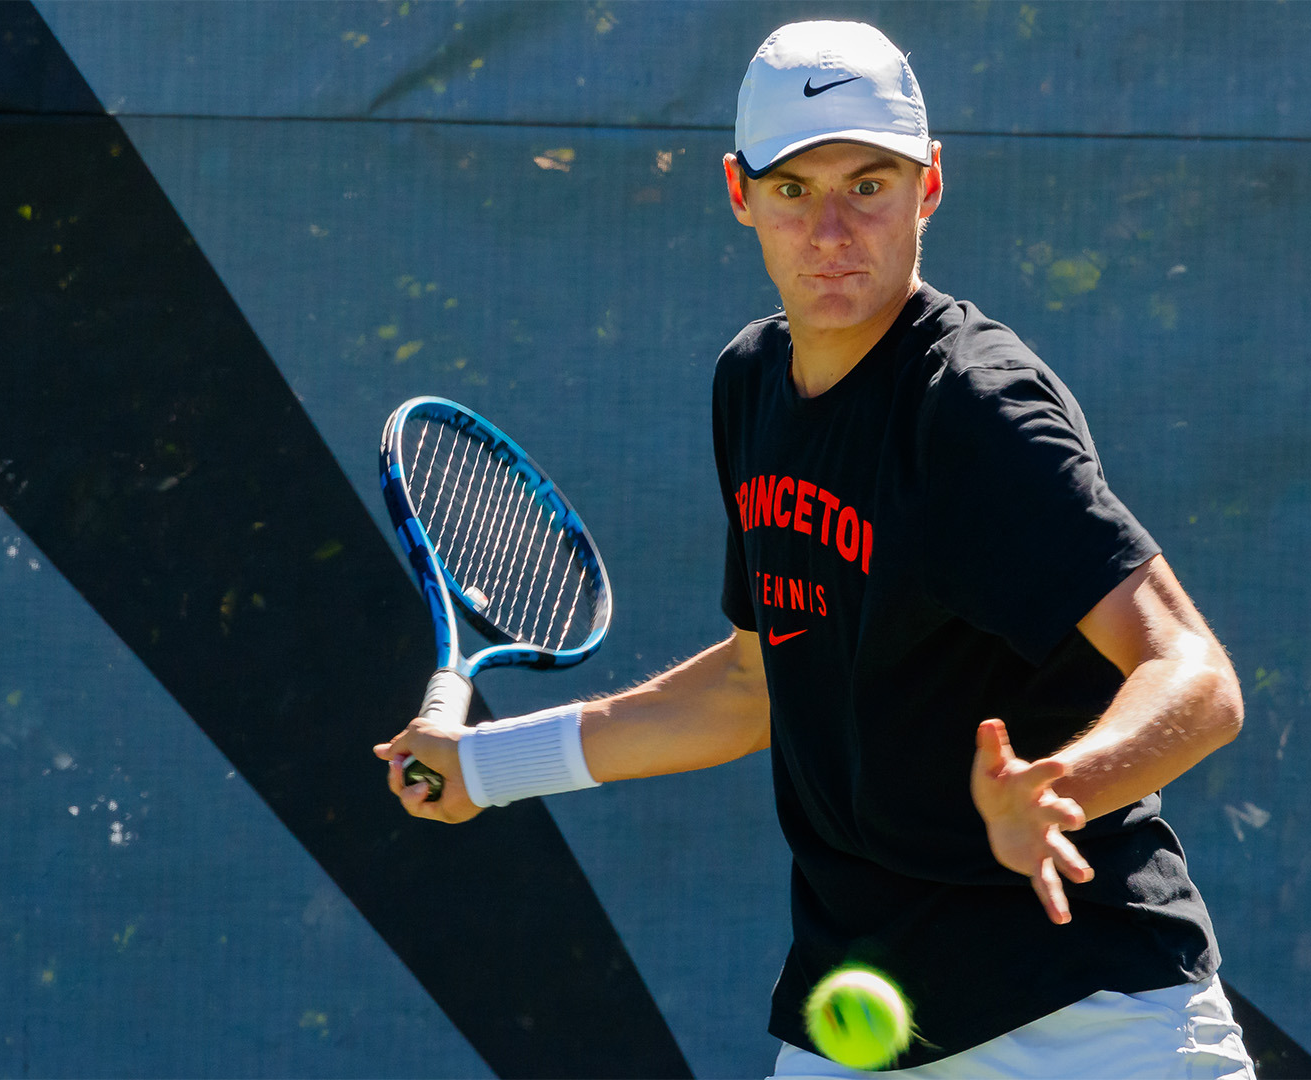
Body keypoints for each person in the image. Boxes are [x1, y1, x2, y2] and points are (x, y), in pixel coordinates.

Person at [376, 20, 1254, 1080]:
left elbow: (1198, 678)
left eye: (868, 185)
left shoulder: (974, 412)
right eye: (795, 191)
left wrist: (1065, 782)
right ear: (739, 193)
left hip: (1088, 1015)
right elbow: (757, 684)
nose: (832, 231)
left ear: (928, 186)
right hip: (865, 1014)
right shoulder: (752, 386)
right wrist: (486, 766)